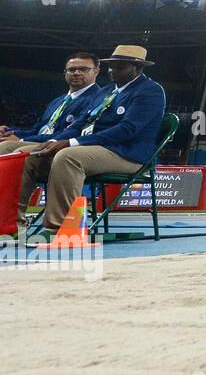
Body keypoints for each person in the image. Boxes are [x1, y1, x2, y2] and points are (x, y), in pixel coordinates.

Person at [16, 45, 166, 239]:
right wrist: (54, 140)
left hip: (127, 154)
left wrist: (72, 143)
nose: (113, 71)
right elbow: (80, 125)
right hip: (97, 148)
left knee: (68, 157)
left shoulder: (150, 91)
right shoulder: (106, 92)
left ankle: (59, 229)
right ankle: (14, 223)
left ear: (138, 68)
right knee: (30, 155)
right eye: (111, 66)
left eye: (120, 66)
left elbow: (127, 130)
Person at [1, 51, 107, 225]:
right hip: (44, 145)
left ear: (96, 72)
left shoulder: (98, 98)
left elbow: (71, 132)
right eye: (72, 69)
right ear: (65, 72)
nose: (76, 73)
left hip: (64, 149)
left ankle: (12, 221)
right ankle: (7, 218)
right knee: (4, 147)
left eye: (83, 69)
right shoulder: (58, 101)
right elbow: (38, 129)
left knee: (11, 151)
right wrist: (11, 132)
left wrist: (18, 141)